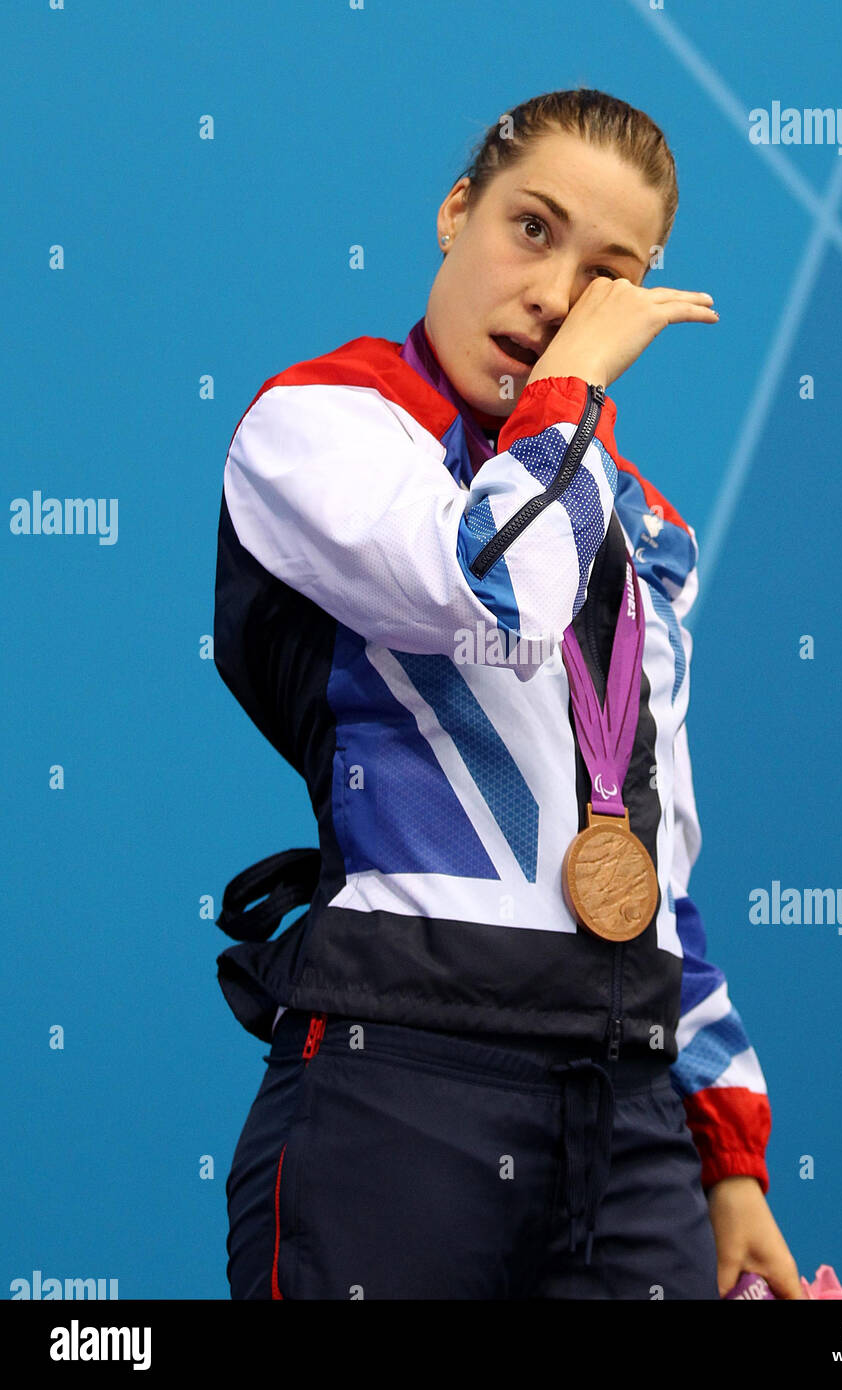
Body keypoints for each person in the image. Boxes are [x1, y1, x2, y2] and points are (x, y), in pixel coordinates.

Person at [213, 88, 802, 1300]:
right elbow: (496, 596)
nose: (553, 297)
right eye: (533, 229)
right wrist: (576, 381)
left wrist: (725, 1152)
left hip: (630, 1113)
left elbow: (652, 860)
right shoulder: (326, 422)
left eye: (605, 275)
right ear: (456, 209)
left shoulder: (644, 533)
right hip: (403, 1085)